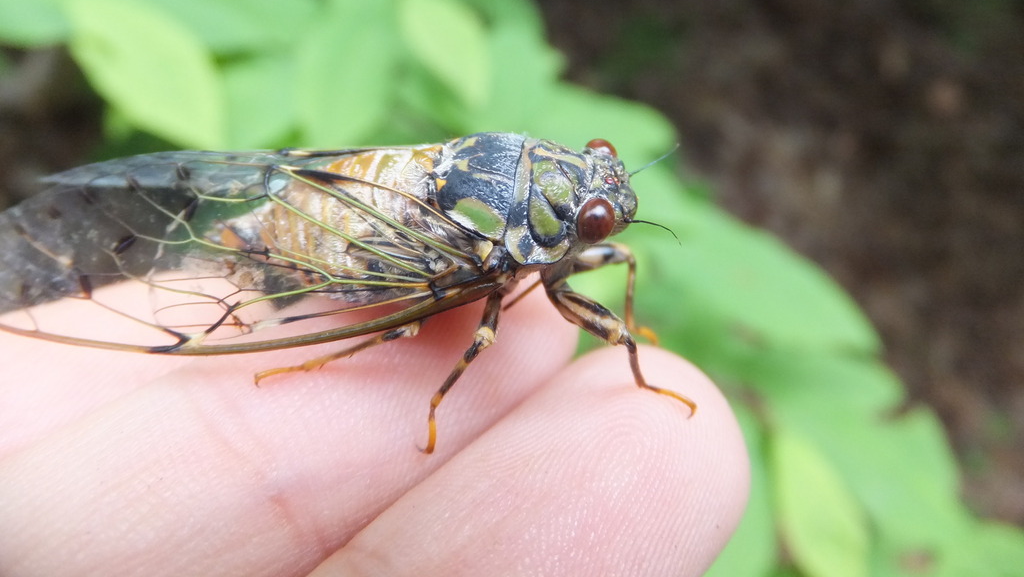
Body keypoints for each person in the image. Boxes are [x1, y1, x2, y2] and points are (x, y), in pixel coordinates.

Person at [0, 287, 748, 576]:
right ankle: (326, 358)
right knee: (418, 326)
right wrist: (431, 403)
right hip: (386, 248)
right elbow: (473, 333)